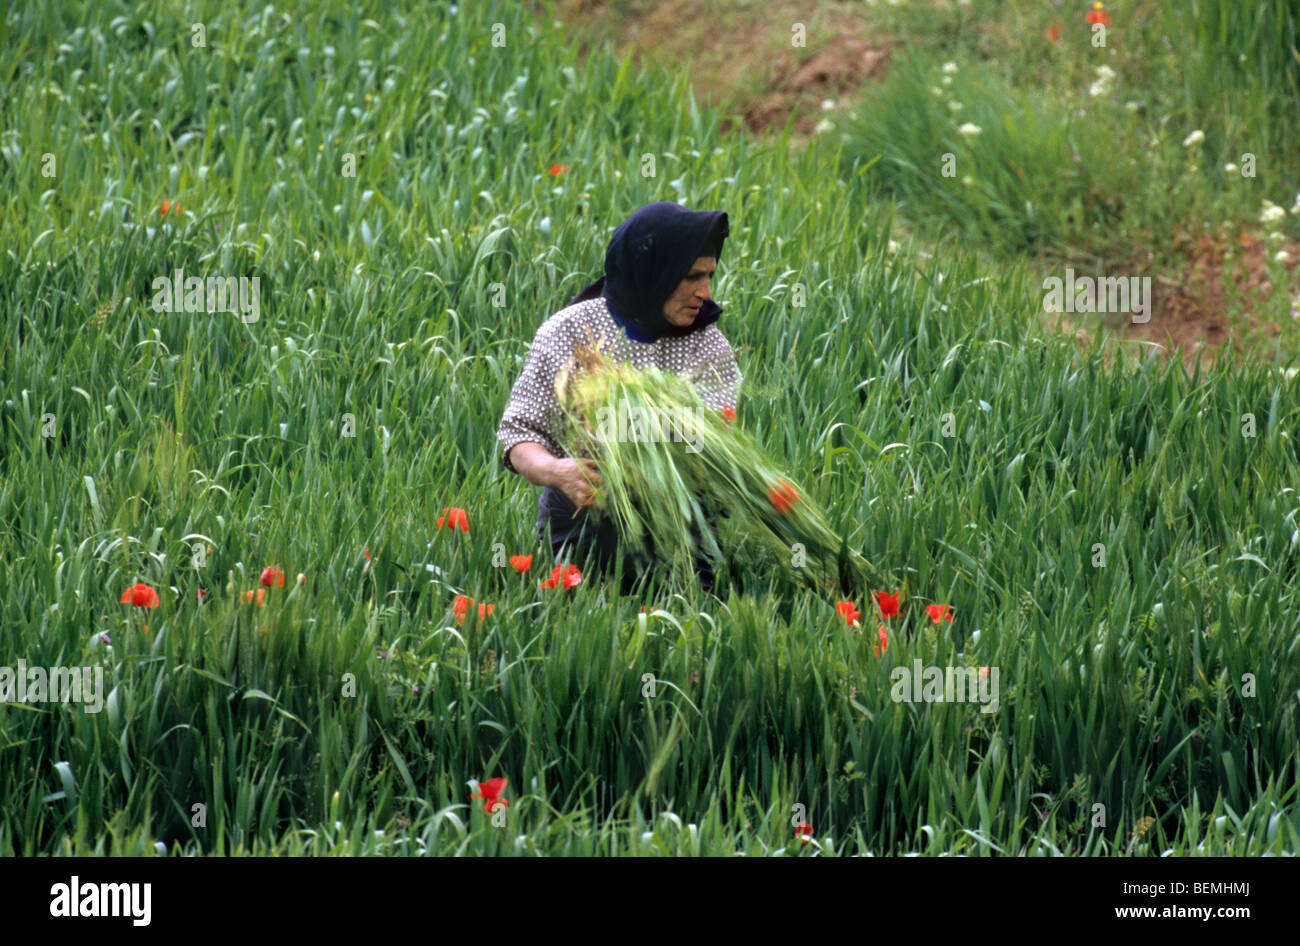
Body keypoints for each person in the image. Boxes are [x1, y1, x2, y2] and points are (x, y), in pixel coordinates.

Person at [497, 201, 741, 595]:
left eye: (710, 275)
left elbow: (712, 441)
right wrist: (560, 473)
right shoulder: (568, 333)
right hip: (583, 518)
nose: (705, 292)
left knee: (682, 631)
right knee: (579, 625)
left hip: (680, 521)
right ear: (654, 272)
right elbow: (519, 435)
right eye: (692, 276)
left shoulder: (707, 345)